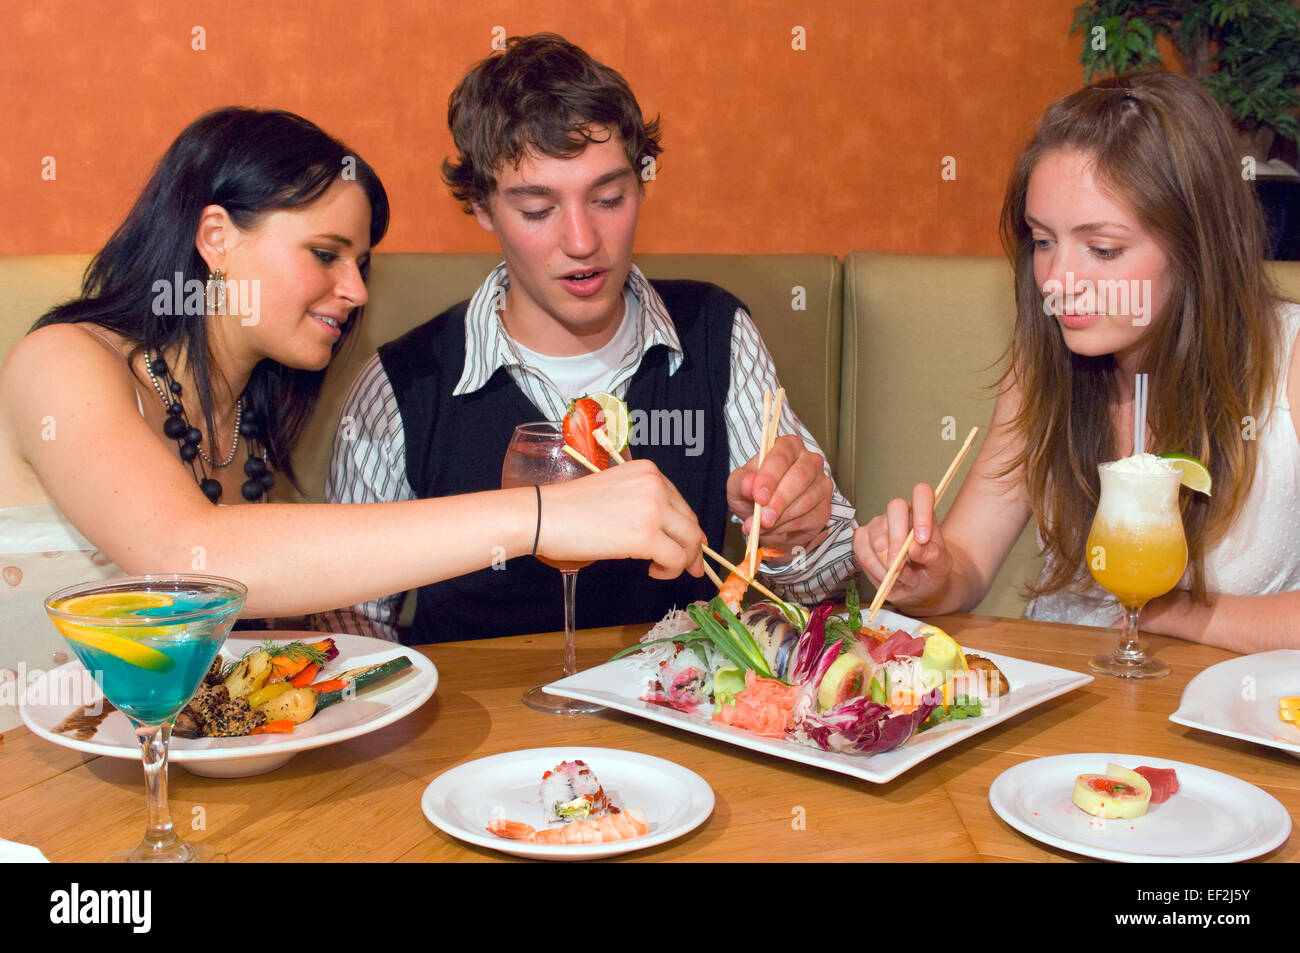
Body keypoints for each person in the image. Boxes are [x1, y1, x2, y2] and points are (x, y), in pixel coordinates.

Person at [0, 107, 706, 731]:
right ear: (215, 236)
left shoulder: (248, 422)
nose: (356, 290)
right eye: (325, 254)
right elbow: (186, 556)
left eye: (362, 262)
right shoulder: (62, 360)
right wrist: (540, 515)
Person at [315, 33, 858, 644]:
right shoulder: (404, 384)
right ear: (483, 208)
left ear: (641, 185)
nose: (581, 240)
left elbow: (831, 583)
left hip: (678, 714)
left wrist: (798, 536)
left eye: (608, 198)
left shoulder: (715, 330)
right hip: (482, 730)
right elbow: (350, 628)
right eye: (537, 210)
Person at [853, 71, 1300, 655]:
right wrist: (927, 573)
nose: (1058, 282)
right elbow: (967, 565)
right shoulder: (1044, 360)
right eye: (1043, 241)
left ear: (1197, 244)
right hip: (1062, 699)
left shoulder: (1287, 360)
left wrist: (1190, 616)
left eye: (1103, 249)